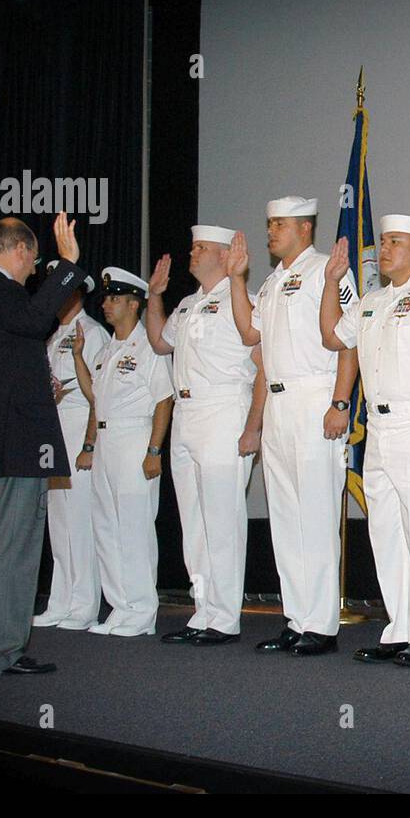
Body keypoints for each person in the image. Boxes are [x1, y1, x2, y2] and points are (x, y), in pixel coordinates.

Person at [319, 214, 410, 667]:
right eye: (382, 241)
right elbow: (332, 337)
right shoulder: (372, 301)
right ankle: (400, 627)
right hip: (381, 429)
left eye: (395, 242)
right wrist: (330, 283)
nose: (383, 249)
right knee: (387, 532)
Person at [0, 213, 86, 675]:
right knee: (11, 549)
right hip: (9, 446)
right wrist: (67, 265)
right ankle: (1, 653)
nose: (33, 269)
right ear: (21, 250)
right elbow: (34, 318)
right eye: (34, 260)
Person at [226, 196, 359, 656]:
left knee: (316, 515)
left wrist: (340, 402)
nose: (270, 232)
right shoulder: (271, 280)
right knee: (285, 517)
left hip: (314, 397)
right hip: (279, 403)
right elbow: (249, 334)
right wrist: (237, 278)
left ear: (305, 227)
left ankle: (321, 625)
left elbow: (347, 340)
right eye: (268, 224)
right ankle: (297, 617)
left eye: (278, 224)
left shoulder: (329, 270)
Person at [146, 224, 265, 646]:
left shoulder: (242, 301)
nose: (191, 254)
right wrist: (155, 295)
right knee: (193, 521)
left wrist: (253, 426)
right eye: (192, 246)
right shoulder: (187, 304)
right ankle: (203, 610)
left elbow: (263, 364)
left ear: (224, 254)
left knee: (221, 518)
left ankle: (225, 617)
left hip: (223, 410)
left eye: (201, 247)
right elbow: (160, 343)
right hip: (186, 412)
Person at [71, 267, 173, 637]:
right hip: (106, 442)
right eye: (105, 298)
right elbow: (95, 397)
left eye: (114, 298)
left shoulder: (150, 346)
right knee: (106, 529)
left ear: (135, 303)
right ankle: (119, 607)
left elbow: (164, 399)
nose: (106, 304)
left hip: (134, 439)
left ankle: (142, 612)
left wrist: (154, 450)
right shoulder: (107, 349)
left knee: (134, 529)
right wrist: (80, 357)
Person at [34, 263, 109, 630]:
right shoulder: (50, 337)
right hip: (54, 431)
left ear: (77, 293)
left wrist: (89, 444)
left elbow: (101, 394)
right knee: (58, 520)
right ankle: (60, 598)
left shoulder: (92, 333)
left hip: (79, 425)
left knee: (79, 520)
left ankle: (83, 603)